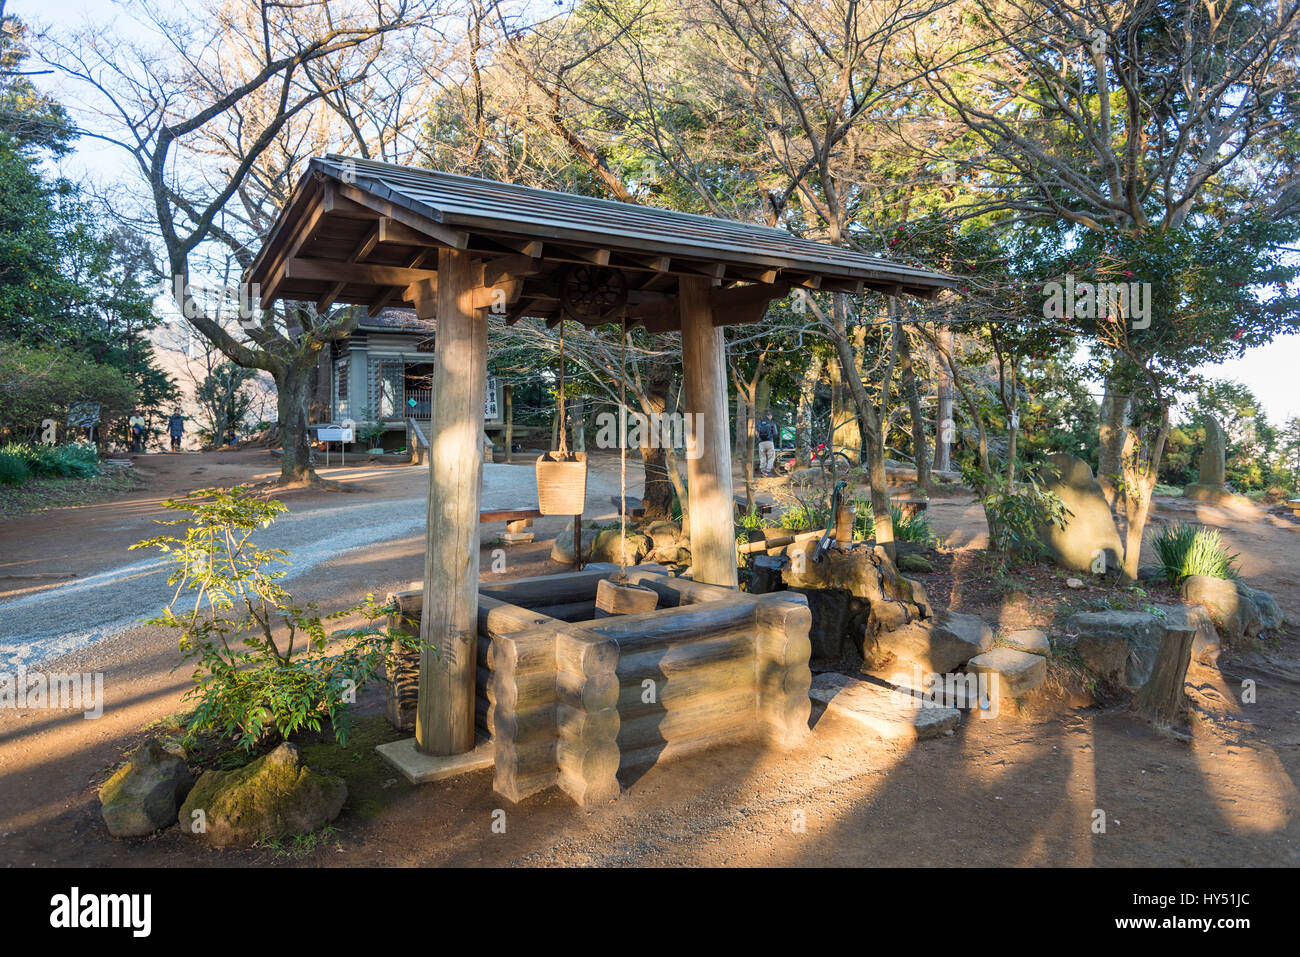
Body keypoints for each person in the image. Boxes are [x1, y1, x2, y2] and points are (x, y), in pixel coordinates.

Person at [756, 411, 778, 476]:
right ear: (770, 416)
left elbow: (756, 432)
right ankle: (768, 471)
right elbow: (776, 433)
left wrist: (759, 437)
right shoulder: (771, 423)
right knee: (771, 457)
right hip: (769, 441)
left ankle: (763, 471)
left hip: (761, 443)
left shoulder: (759, 422)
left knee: (762, 457)